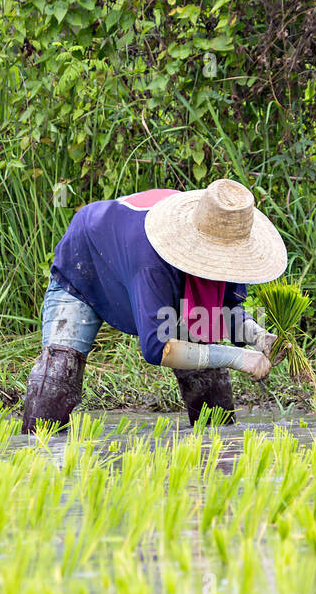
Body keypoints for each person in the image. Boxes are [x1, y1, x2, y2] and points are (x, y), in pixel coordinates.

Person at [23, 178, 287, 431]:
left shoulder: (226, 248)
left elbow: (224, 311)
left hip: (138, 260)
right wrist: (239, 357)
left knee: (212, 403)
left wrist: (259, 337)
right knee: (58, 375)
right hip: (87, 261)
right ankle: (37, 456)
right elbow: (157, 348)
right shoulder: (154, 261)